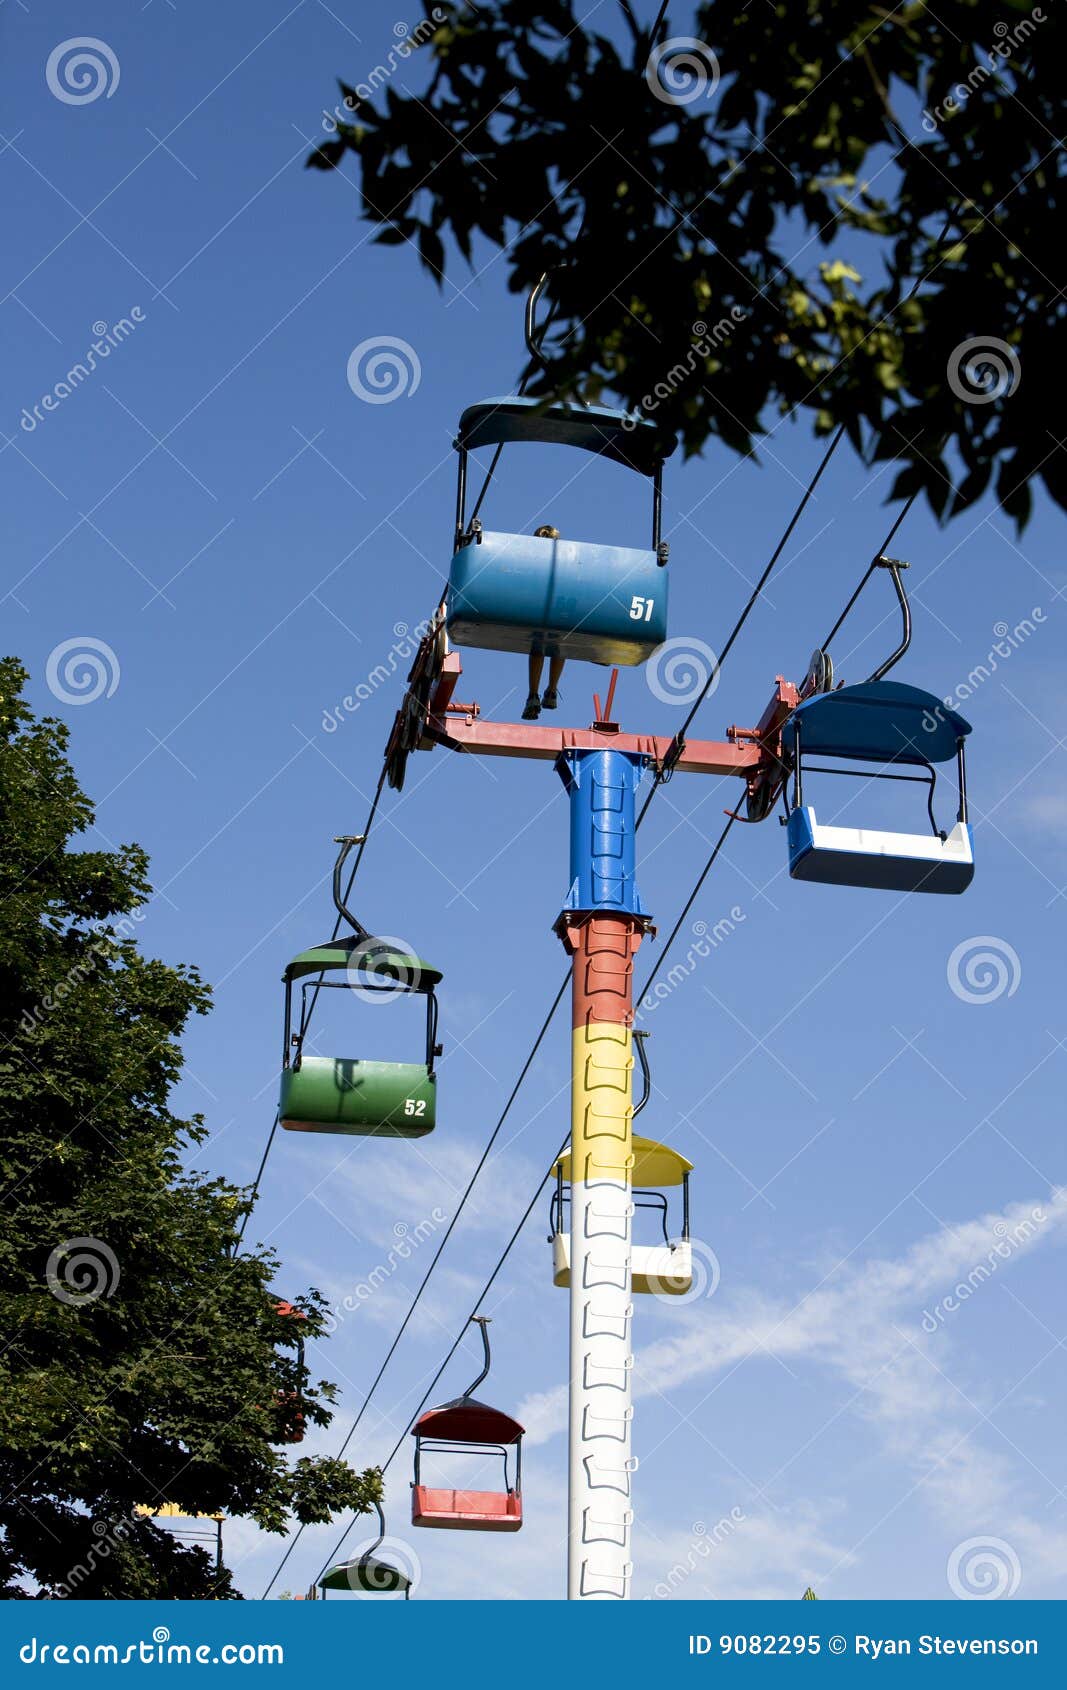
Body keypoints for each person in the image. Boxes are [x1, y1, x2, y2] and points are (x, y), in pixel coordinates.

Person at [523, 525, 565, 720]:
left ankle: (534, 694)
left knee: (538, 649)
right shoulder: (563, 560)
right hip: (560, 607)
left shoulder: (534, 560)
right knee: (560, 648)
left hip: (540, 607)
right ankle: (552, 690)